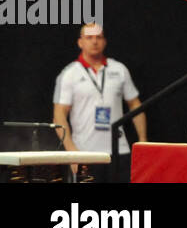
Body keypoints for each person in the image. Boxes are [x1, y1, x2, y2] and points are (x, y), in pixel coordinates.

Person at [52, 23, 145, 183]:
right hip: (84, 153)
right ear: (80, 42)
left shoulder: (119, 69)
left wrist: (143, 141)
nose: (94, 41)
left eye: (98, 37)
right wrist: (72, 152)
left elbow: (135, 104)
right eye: (89, 37)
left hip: (119, 151)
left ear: (104, 41)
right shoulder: (69, 74)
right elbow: (59, 116)